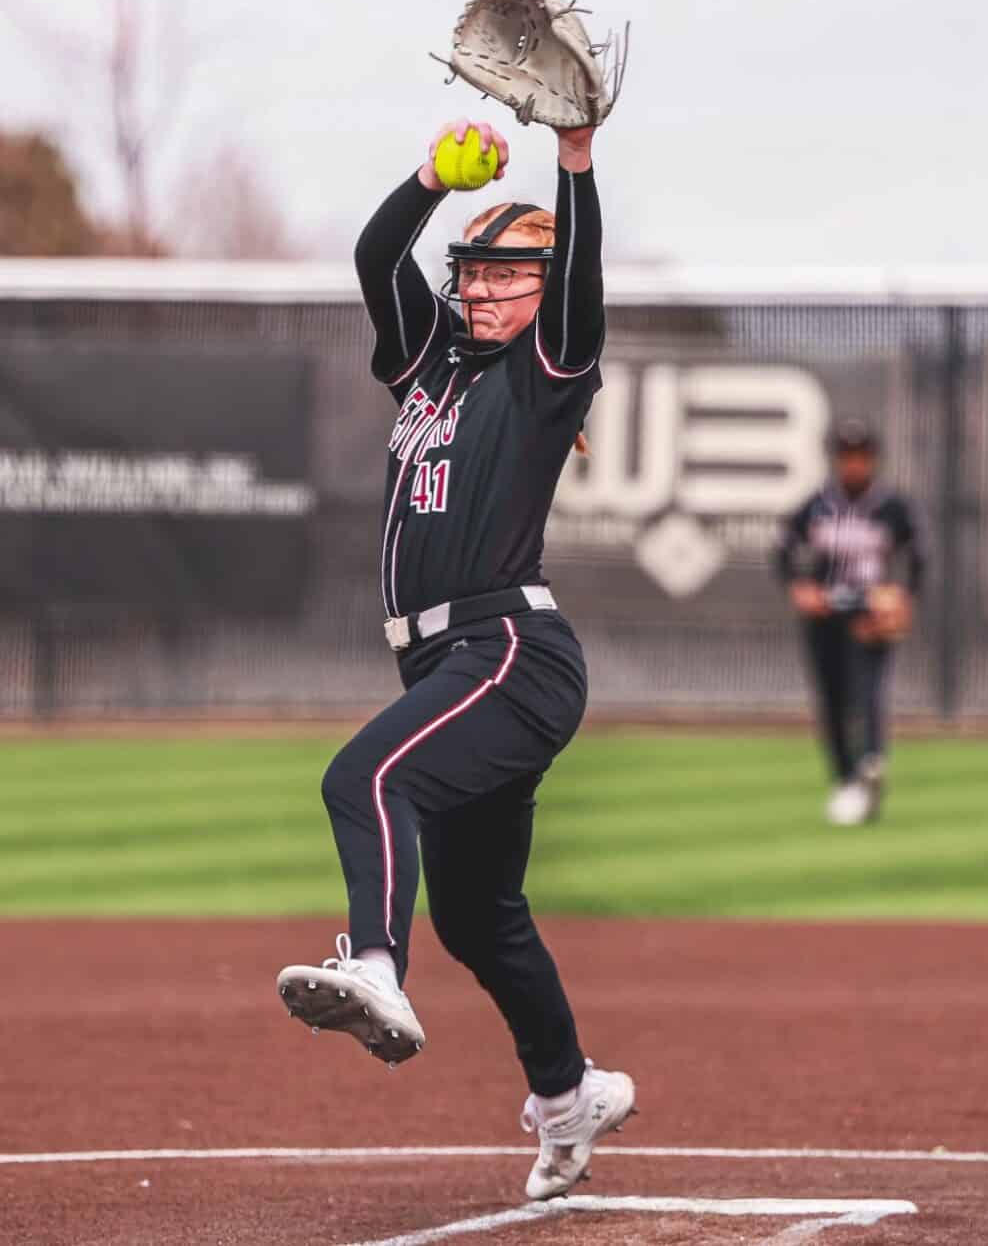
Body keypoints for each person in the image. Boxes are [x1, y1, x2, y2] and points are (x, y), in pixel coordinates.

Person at [274, 115, 635, 1201]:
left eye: (504, 274)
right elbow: (375, 256)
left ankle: (374, 965)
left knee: (366, 777)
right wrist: (431, 178)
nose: (481, 290)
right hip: (442, 664)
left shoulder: (547, 371)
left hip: (509, 646)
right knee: (480, 912)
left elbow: (579, 268)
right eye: (472, 272)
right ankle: (571, 1097)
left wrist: (573, 155)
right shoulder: (429, 364)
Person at [776, 419, 925, 826]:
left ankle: (872, 763)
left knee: (869, 692)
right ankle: (846, 780)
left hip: (869, 614)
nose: (854, 465)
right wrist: (800, 585)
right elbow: (785, 546)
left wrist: (903, 597)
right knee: (833, 701)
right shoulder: (820, 503)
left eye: (861, 457)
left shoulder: (891, 506)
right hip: (825, 616)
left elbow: (917, 555)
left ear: (872, 459)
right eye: (847, 457)